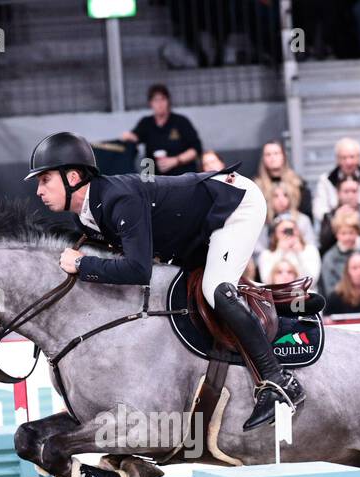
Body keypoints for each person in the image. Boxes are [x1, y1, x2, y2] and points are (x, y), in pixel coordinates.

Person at [27, 131, 302, 431]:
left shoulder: (119, 198)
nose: (39, 191)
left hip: (232, 206)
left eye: (45, 179)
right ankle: (281, 304)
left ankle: (279, 382)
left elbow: (137, 270)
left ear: (74, 176)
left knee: (215, 291)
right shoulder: (85, 216)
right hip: (195, 233)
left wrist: (82, 263)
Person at [120, 84, 202, 176]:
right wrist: (128, 136)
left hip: (183, 177)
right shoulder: (146, 123)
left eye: (163, 99)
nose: (160, 104)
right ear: (150, 103)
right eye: (155, 100)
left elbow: (196, 149)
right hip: (156, 179)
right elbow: (135, 137)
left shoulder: (181, 121)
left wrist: (176, 160)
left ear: (168, 101)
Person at [312, 138, 360, 227]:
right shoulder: (325, 180)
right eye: (344, 158)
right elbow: (319, 210)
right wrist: (337, 218)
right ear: (337, 159)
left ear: (359, 158)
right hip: (336, 229)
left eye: (352, 157)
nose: (348, 162)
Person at [253, 140, 310, 219]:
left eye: (276, 153)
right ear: (263, 159)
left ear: (283, 156)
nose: (272, 158)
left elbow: (307, 213)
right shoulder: (256, 187)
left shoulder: (298, 183)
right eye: (268, 154)